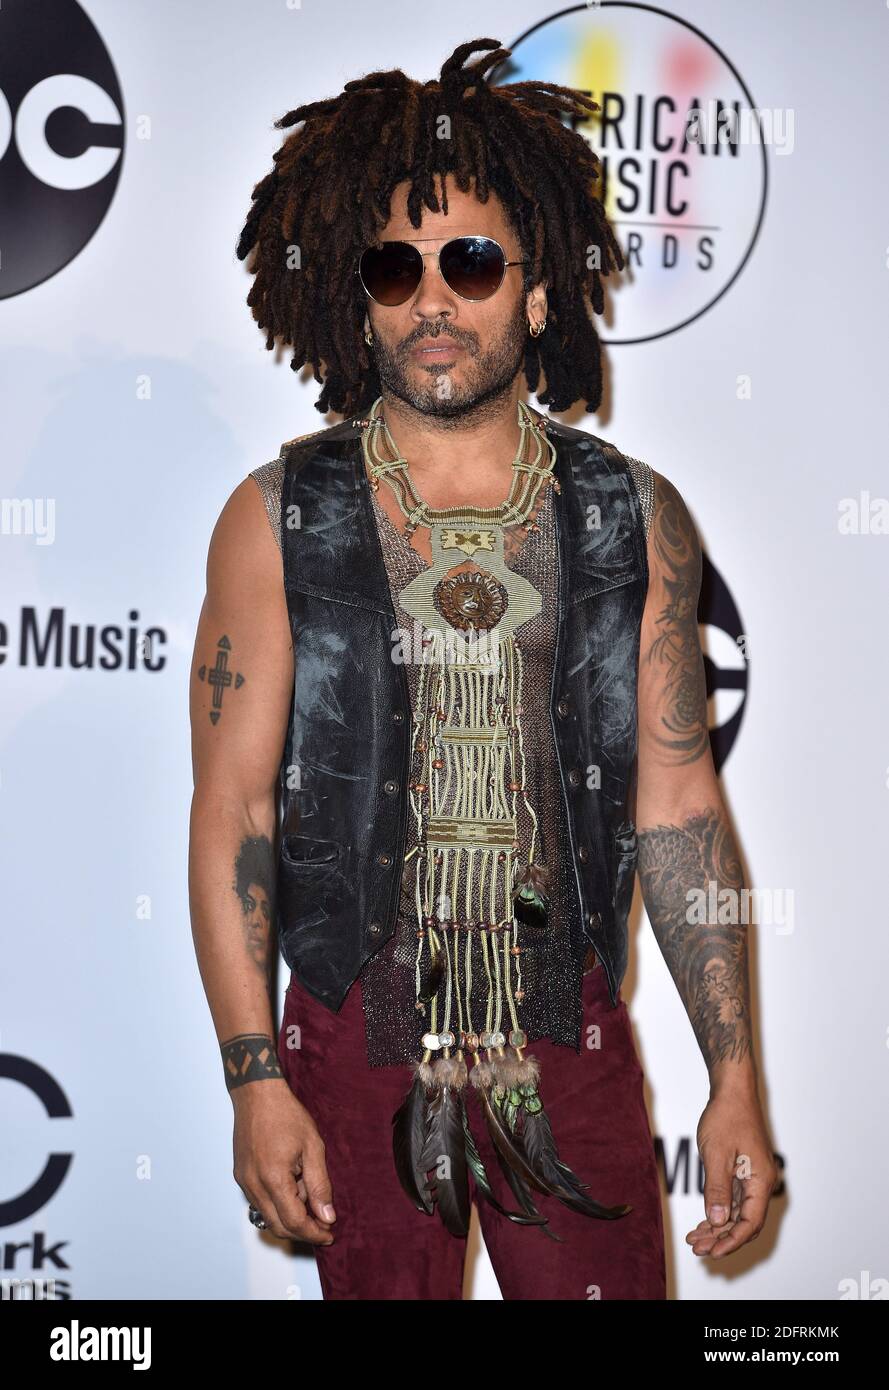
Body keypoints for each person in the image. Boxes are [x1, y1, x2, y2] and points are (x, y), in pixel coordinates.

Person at [188, 37, 778, 1300]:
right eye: (395, 268)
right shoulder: (279, 515)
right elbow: (234, 812)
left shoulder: (631, 517)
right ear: (358, 297)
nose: (433, 301)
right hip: (354, 1023)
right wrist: (254, 1075)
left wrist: (733, 1080)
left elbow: (676, 809)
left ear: (540, 290)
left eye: (469, 261)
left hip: (559, 1022)